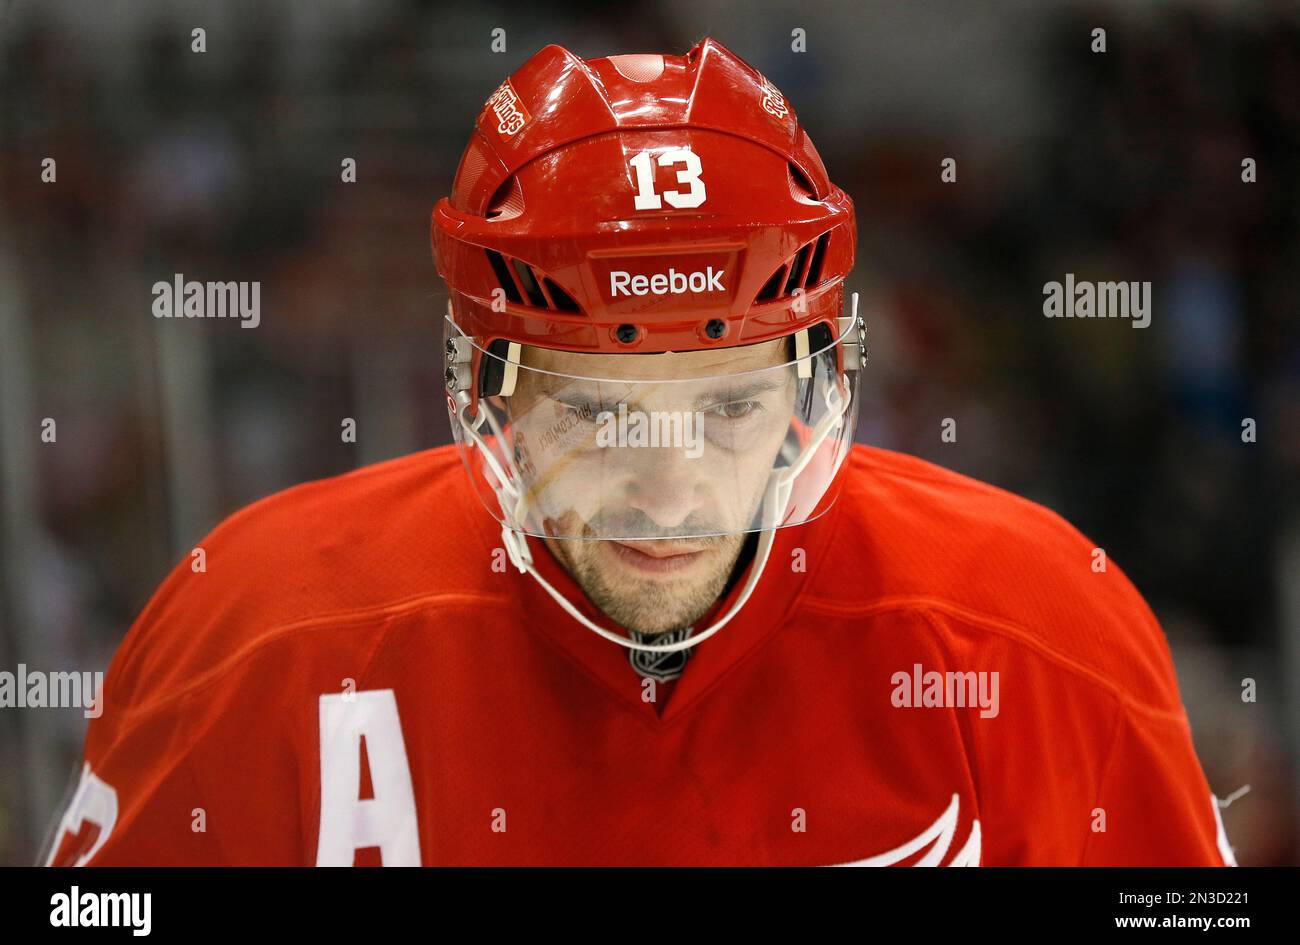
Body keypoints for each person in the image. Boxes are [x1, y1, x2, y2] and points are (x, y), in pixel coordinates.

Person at [45, 37, 1232, 866]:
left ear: (811, 390)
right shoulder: (262, 644)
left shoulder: (1033, 640)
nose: (668, 491)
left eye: (724, 407)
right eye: (599, 412)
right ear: (487, 398)